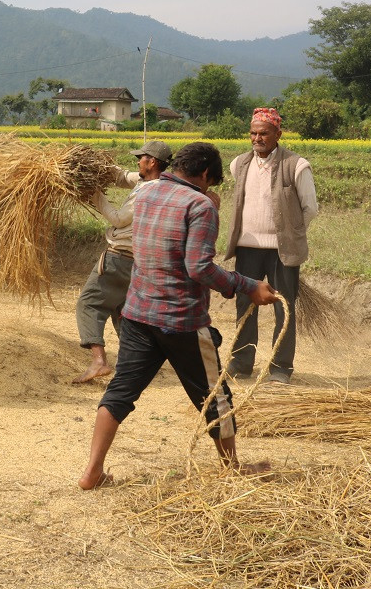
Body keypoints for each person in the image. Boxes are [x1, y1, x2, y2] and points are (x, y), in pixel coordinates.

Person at [79, 142, 277, 490]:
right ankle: (231, 468)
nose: (209, 189)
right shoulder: (200, 205)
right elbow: (199, 268)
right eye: (210, 183)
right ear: (203, 175)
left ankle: (92, 472)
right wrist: (248, 286)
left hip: (139, 313)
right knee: (216, 395)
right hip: (182, 321)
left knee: (120, 392)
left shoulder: (147, 194)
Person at [224, 107, 318, 385]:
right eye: (253, 133)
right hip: (247, 248)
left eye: (263, 133)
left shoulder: (296, 165)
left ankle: (280, 368)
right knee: (245, 304)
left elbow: (309, 208)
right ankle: (241, 363)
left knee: (284, 308)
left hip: (282, 250)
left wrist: (290, 235)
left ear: (278, 134)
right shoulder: (239, 164)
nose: (257, 138)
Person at [73, 140, 172, 384]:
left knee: (88, 304)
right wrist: (98, 167)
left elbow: (118, 219)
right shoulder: (152, 182)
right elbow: (122, 176)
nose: (137, 161)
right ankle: (137, 361)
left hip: (119, 258)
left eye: (141, 158)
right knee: (123, 311)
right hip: (138, 261)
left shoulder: (149, 191)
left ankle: (98, 362)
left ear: (152, 162)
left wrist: (95, 194)